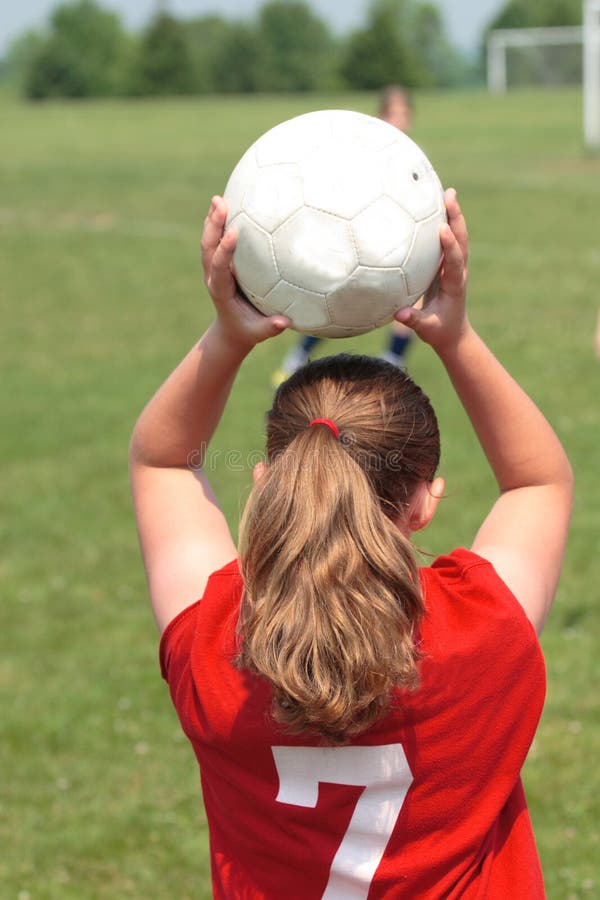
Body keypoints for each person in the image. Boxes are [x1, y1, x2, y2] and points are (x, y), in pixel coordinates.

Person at [130, 190, 573, 898]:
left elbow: (161, 459)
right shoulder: (483, 631)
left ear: (269, 481)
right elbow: (538, 482)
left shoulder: (214, 643)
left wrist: (229, 334)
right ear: (427, 499)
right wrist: (453, 334)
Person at [272, 86, 416, 387]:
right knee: (338, 300)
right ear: (381, 116)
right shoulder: (366, 155)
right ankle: (298, 356)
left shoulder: (413, 160)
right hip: (359, 243)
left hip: (398, 243)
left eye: (404, 114)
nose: (398, 121)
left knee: (414, 302)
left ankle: (393, 364)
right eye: (393, 114)